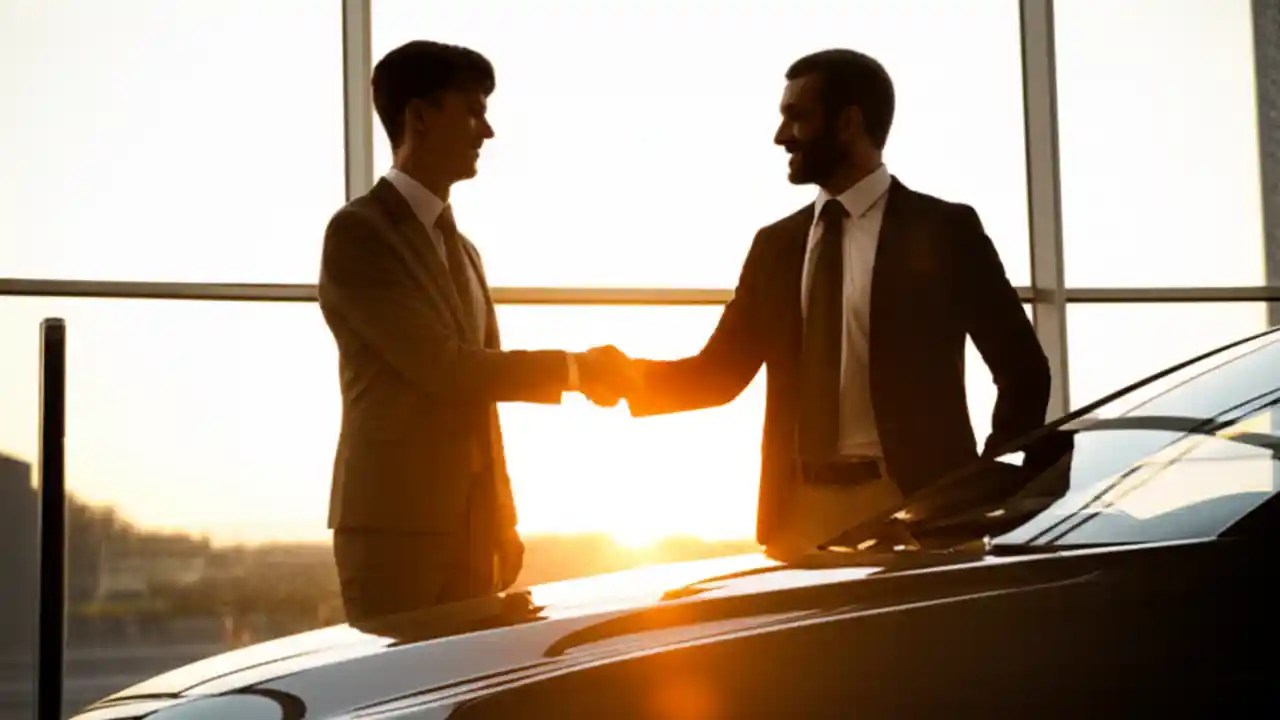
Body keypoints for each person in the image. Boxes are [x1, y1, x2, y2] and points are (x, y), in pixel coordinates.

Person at [602, 49, 1051, 559]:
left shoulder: (944, 230)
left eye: (797, 116)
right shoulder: (774, 246)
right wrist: (615, 377)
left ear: (848, 122)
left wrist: (981, 489)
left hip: (919, 512)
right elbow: (719, 374)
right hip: (798, 518)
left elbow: (1023, 370)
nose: (781, 136)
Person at [317, 40, 619, 623]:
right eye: (474, 110)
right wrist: (578, 370)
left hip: (477, 533)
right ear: (420, 117)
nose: (487, 131)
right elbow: (447, 368)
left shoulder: (467, 251)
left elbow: (482, 399)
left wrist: (502, 517)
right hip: (395, 531)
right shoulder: (359, 234)